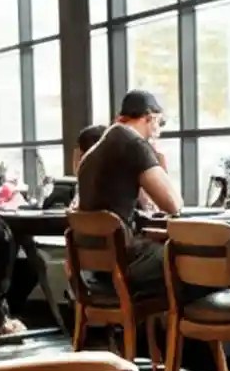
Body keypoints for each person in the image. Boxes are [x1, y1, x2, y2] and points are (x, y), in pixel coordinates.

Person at [75, 90, 181, 297]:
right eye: (159, 124)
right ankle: (197, 325)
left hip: (98, 265)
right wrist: (158, 158)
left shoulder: (93, 151)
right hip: (125, 264)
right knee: (194, 260)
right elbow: (173, 204)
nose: (157, 131)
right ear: (150, 118)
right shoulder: (133, 143)